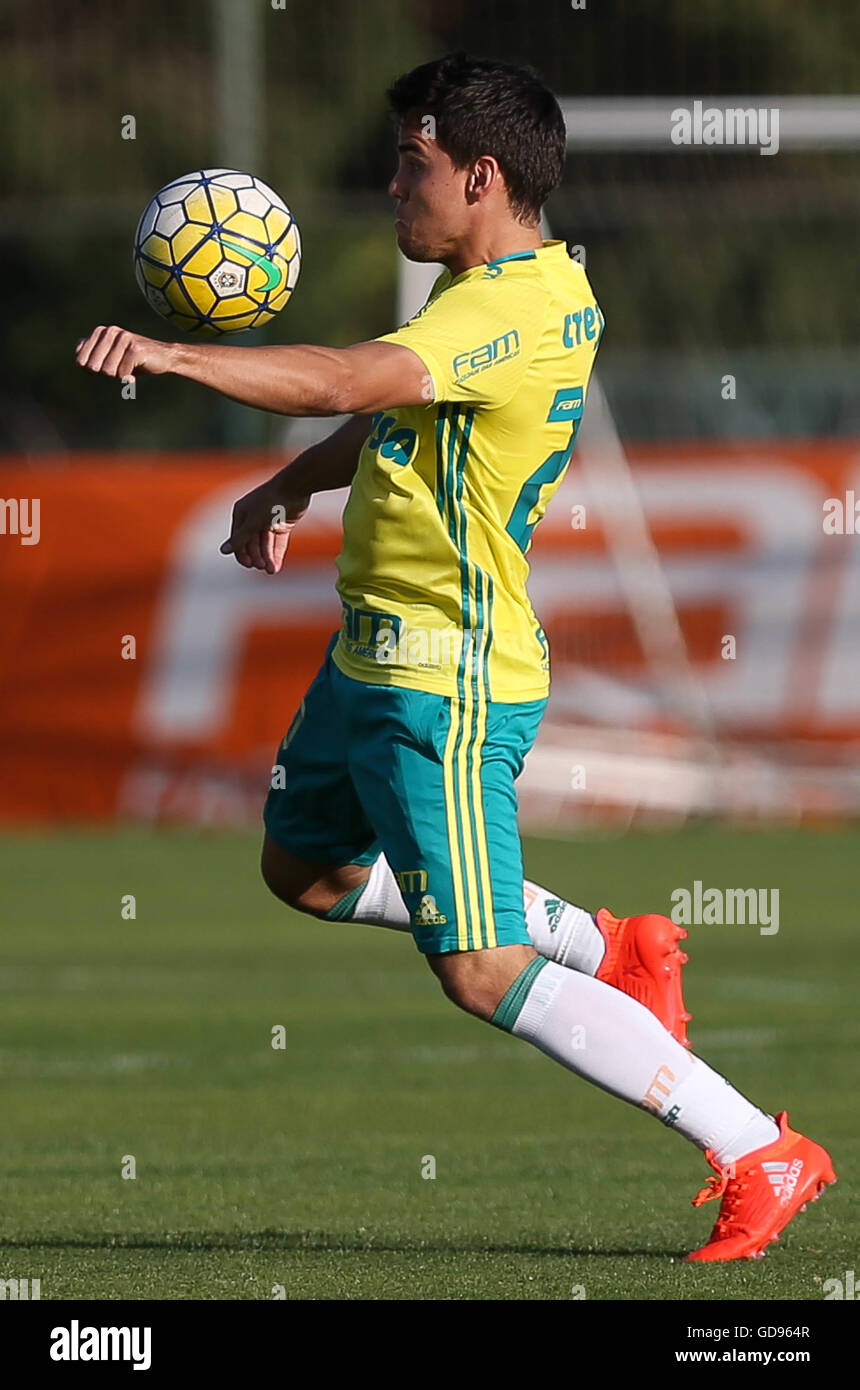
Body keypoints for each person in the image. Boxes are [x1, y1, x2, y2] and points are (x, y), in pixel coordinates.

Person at [76, 53, 835, 1261]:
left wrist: (175, 357)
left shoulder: (510, 309)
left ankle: (754, 1144)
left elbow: (336, 376)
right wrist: (289, 483)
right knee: (304, 867)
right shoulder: (494, 295)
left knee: (478, 970)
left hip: (448, 678)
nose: (392, 188)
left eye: (411, 165)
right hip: (368, 660)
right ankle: (602, 943)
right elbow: (384, 415)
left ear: (480, 175)